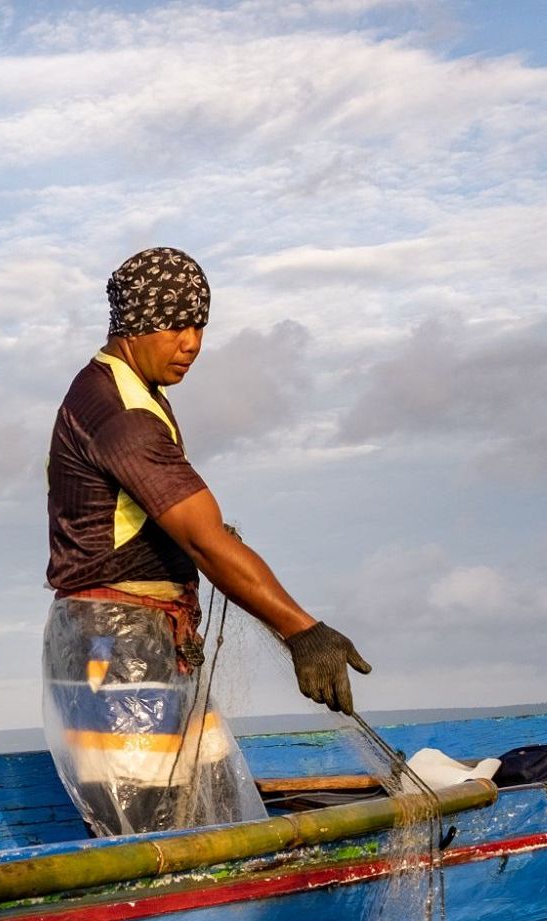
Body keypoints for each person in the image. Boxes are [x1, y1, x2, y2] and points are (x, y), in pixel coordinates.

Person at [42, 246, 372, 837]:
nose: (193, 343)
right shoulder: (123, 415)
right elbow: (204, 542)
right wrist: (304, 632)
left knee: (213, 805)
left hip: (133, 643)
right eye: (176, 325)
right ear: (135, 325)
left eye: (201, 326)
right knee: (158, 836)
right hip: (118, 655)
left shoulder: (121, 391)